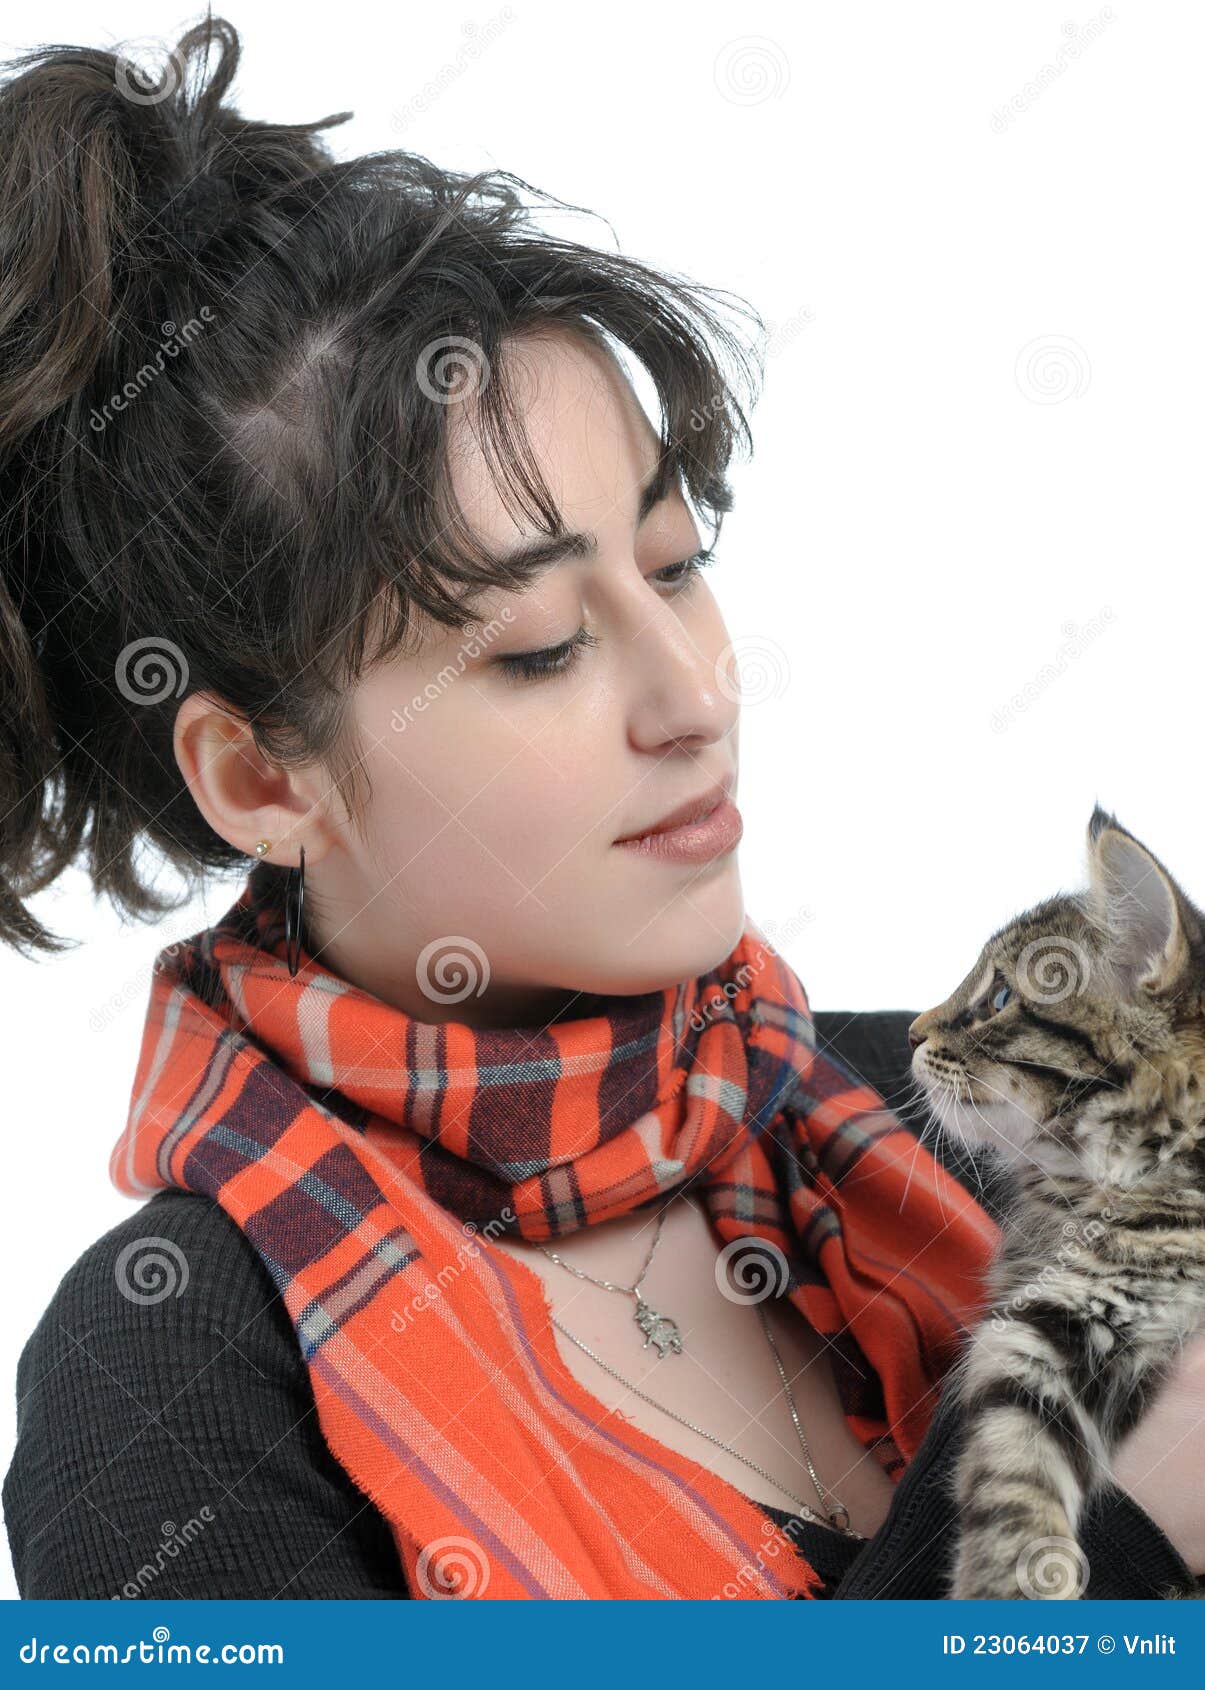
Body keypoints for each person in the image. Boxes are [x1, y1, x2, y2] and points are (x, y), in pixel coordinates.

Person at [2, 14, 1200, 1601]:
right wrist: (1127, 1509)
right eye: (541, 646)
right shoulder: (163, 1392)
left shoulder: (963, 1113)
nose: (694, 693)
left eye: (674, 564)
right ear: (261, 778)